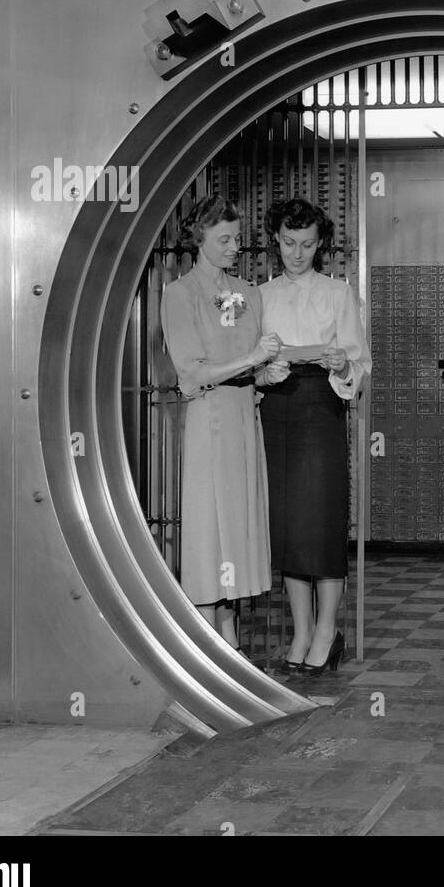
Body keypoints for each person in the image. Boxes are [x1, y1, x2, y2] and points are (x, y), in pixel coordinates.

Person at [159, 195, 280, 652]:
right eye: (225, 239)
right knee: (210, 527)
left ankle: (228, 631)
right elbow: (192, 372)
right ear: (199, 239)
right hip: (209, 417)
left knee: (238, 523)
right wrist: (252, 360)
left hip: (245, 418)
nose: (235, 246)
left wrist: (266, 372)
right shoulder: (180, 294)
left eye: (238, 238)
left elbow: (242, 362)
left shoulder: (246, 293)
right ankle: (210, 642)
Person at [258, 199, 371, 676]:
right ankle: (301, 631)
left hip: (321, 407)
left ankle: (327, 631)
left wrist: (343, 364)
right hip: (277, 410)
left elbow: (359, 359)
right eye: (288, 243)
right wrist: (265, 368)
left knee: (320, 523)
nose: (296, 253)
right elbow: (249, 359)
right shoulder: (258, 296)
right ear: (275, 241)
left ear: (321, 243)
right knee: (286, 528)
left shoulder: (339, 293)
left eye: (306, 244)